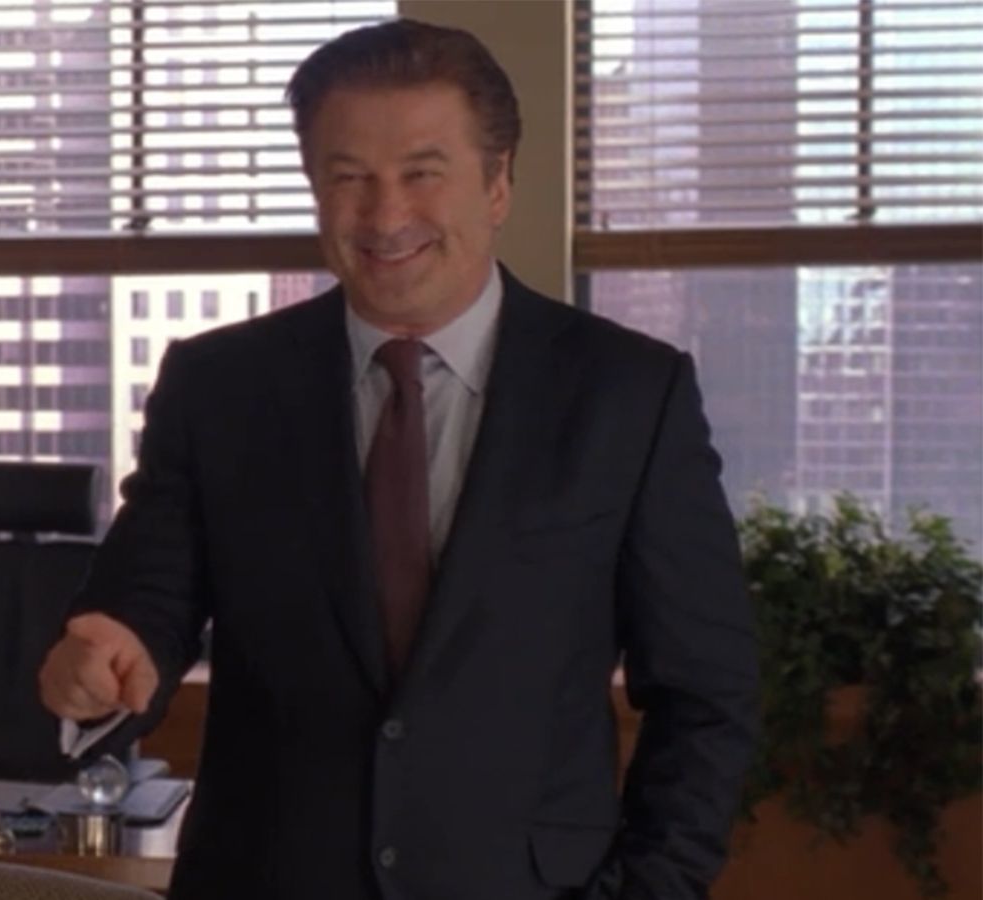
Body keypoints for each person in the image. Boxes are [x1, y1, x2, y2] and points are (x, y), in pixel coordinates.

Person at [39, 17, 760, 900]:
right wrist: (105, 662)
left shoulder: (629, 395)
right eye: (349, 178)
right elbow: (143, 605)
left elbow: (707, 694)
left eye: (423, 173)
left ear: (497, 183)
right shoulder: (219, 386)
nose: (385, 217)